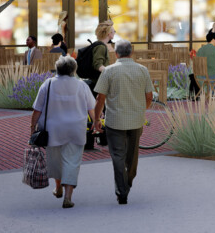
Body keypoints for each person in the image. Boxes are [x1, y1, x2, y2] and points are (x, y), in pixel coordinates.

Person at [92, 42, 158, 205]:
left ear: (116, 54)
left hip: (115, 121)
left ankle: (122, 190)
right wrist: (142, 109)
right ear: (132, 52)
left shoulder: (109, 71)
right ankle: (126, 182)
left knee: (117, 156)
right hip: (135, 120)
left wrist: (96, 119)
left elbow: (100, 97)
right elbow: (149, 96)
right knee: (132, 156)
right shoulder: (142, 70)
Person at [30, 57, 97, 208]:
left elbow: (37, 109)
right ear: (74, 70)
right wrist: (96, 122)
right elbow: (91, 108)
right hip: (76, 129)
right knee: (72, 162)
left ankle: (58, 187)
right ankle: (68, 196)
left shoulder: (47, 84)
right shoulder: (82, 85)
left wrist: (32, 127)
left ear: (57, 69)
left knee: (55, 160)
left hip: (52, 129)